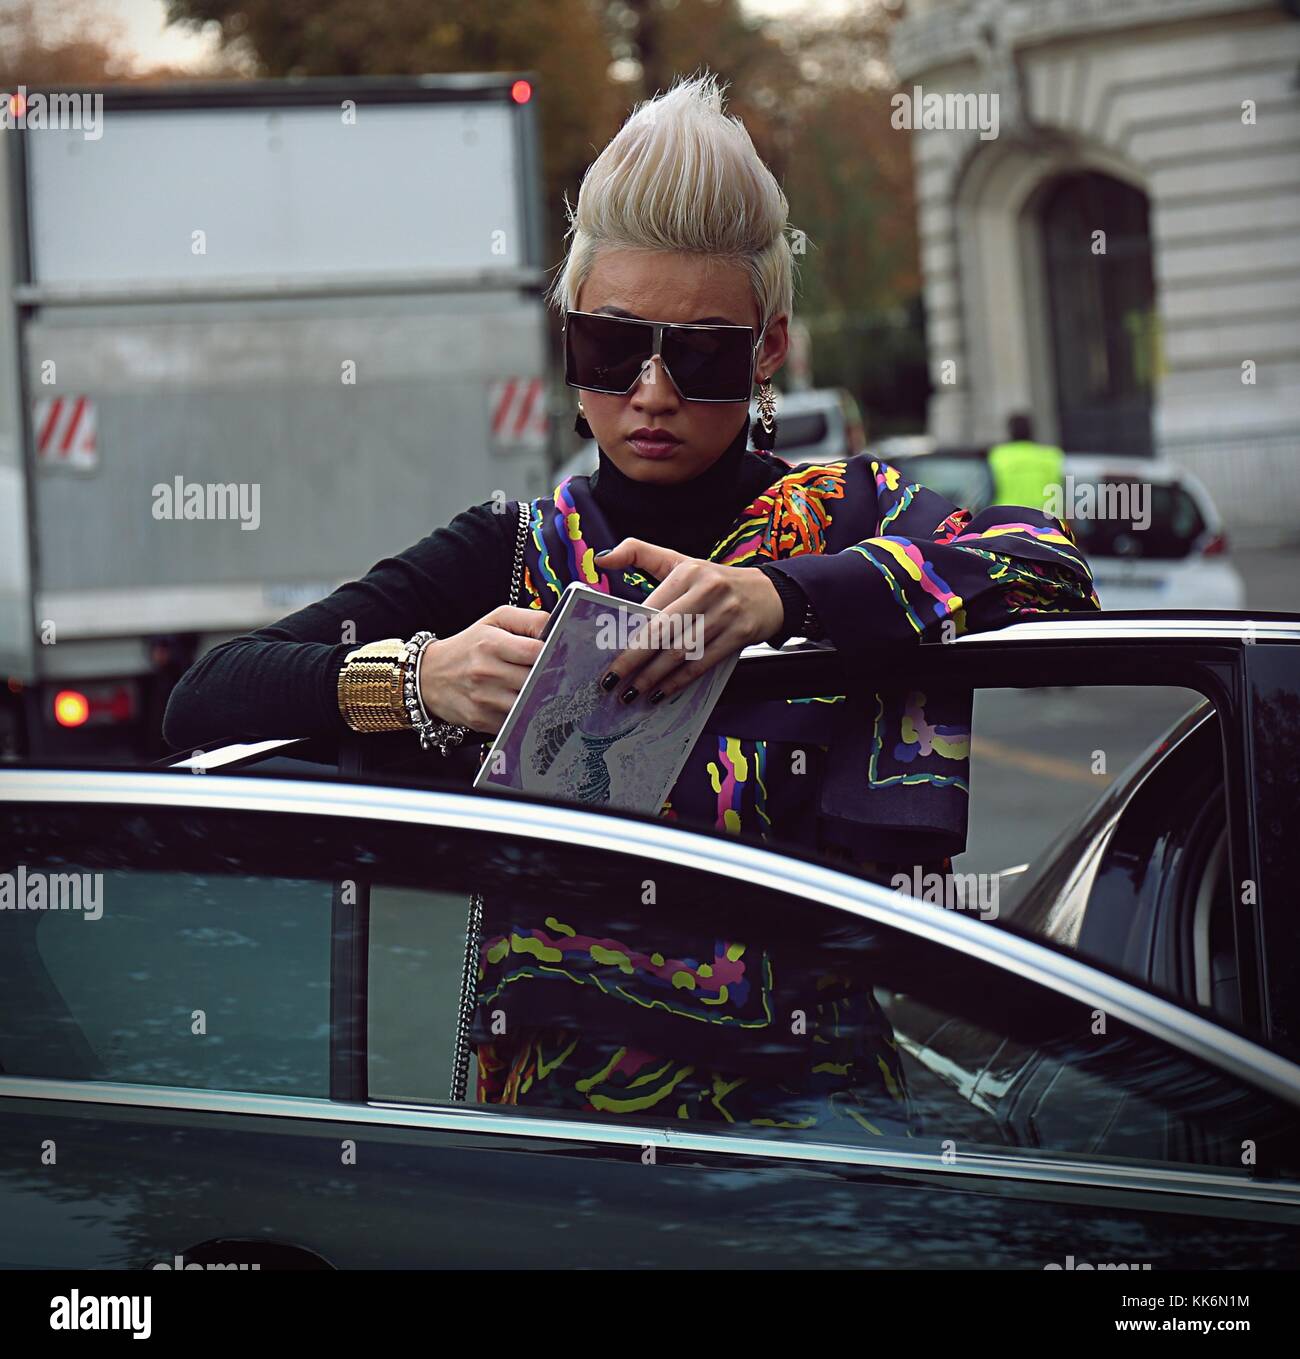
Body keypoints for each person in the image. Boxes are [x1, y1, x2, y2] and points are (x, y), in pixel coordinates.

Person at [164, 72, 1099, 1140]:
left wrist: (777, 595)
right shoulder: (508, 551)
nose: (650, 392)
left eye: (699, 356)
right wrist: (419, 680)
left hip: (809, 1130)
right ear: (569, 343)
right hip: (560, 1143)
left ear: (770, 350)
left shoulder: (845, 513)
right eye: (613, 348)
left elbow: (1047, 562)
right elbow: (207, 696)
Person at [988, 412, 1066, 513]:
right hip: (1049, 520)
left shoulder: (997, 455)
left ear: (1010, 432)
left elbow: (988, 491)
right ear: (1032, 431)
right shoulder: (1053, 455)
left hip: (1007, 519)